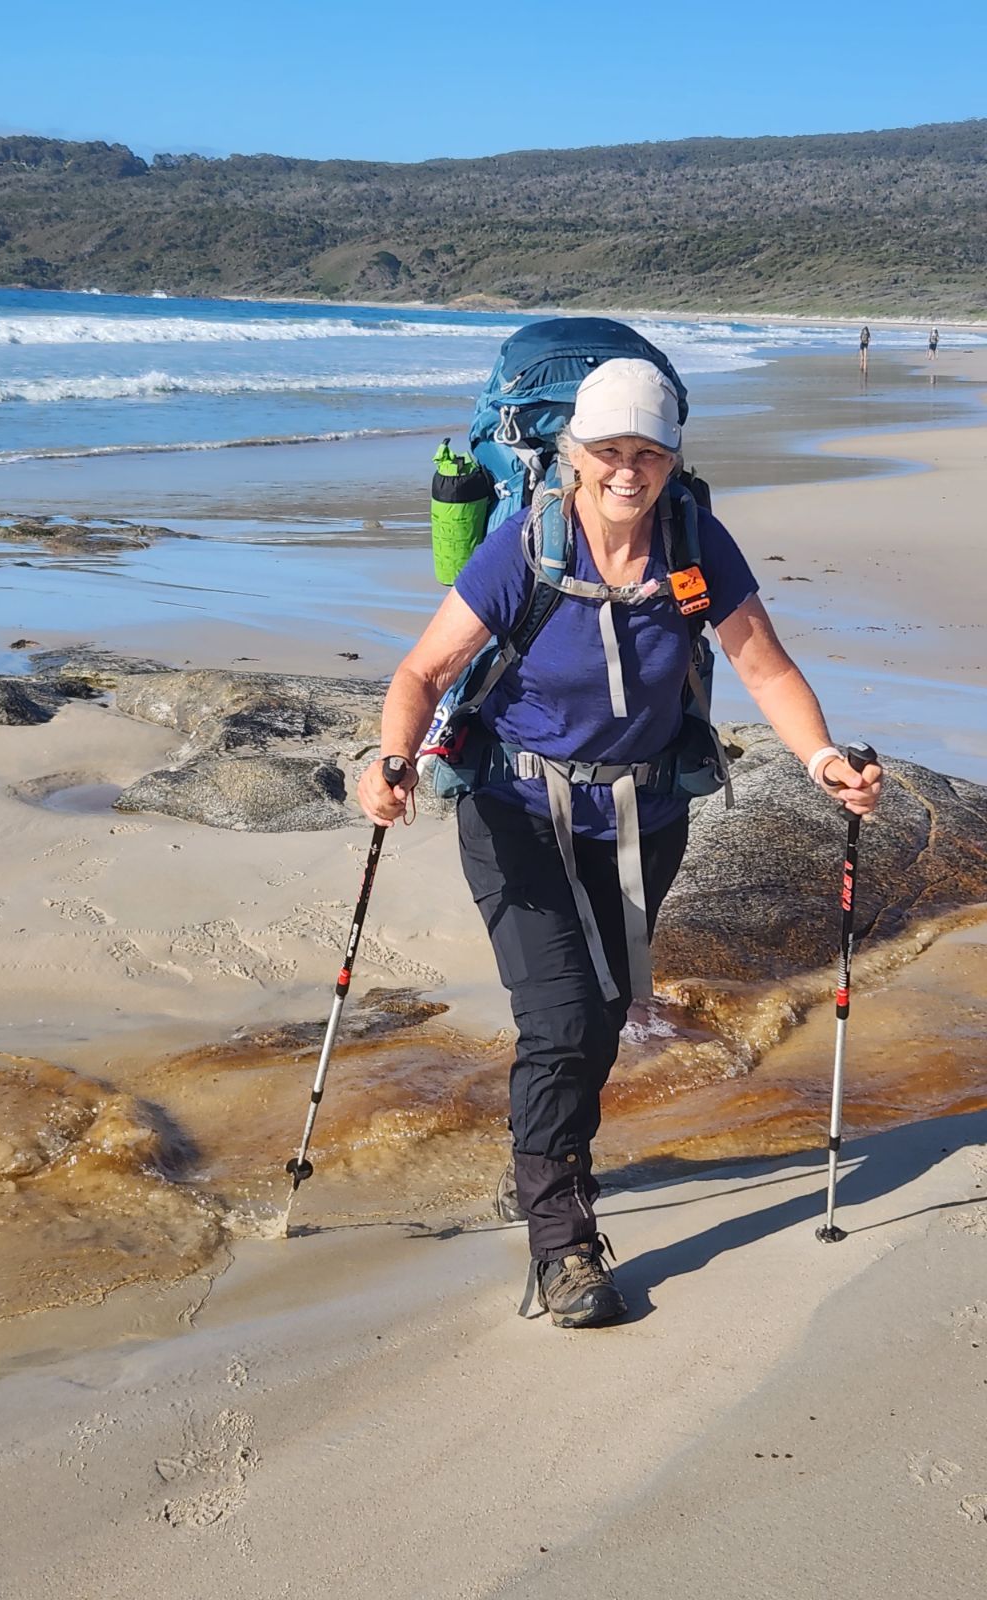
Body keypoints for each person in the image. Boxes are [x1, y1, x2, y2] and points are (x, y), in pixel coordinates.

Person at [356, 355, 882, 1330]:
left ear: (674, 458)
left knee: (602, 1016)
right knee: (562, 1013)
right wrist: (391, 759)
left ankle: (539, 1159)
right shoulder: (526, 546)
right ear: (574, 456)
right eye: (608, 451)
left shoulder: (693, 540)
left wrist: (820, 762)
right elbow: (423, 671)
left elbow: (763, 665)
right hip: (512, 811)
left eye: (648, 452)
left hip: (642, 817)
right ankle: (562, 1247)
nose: (628, 470)